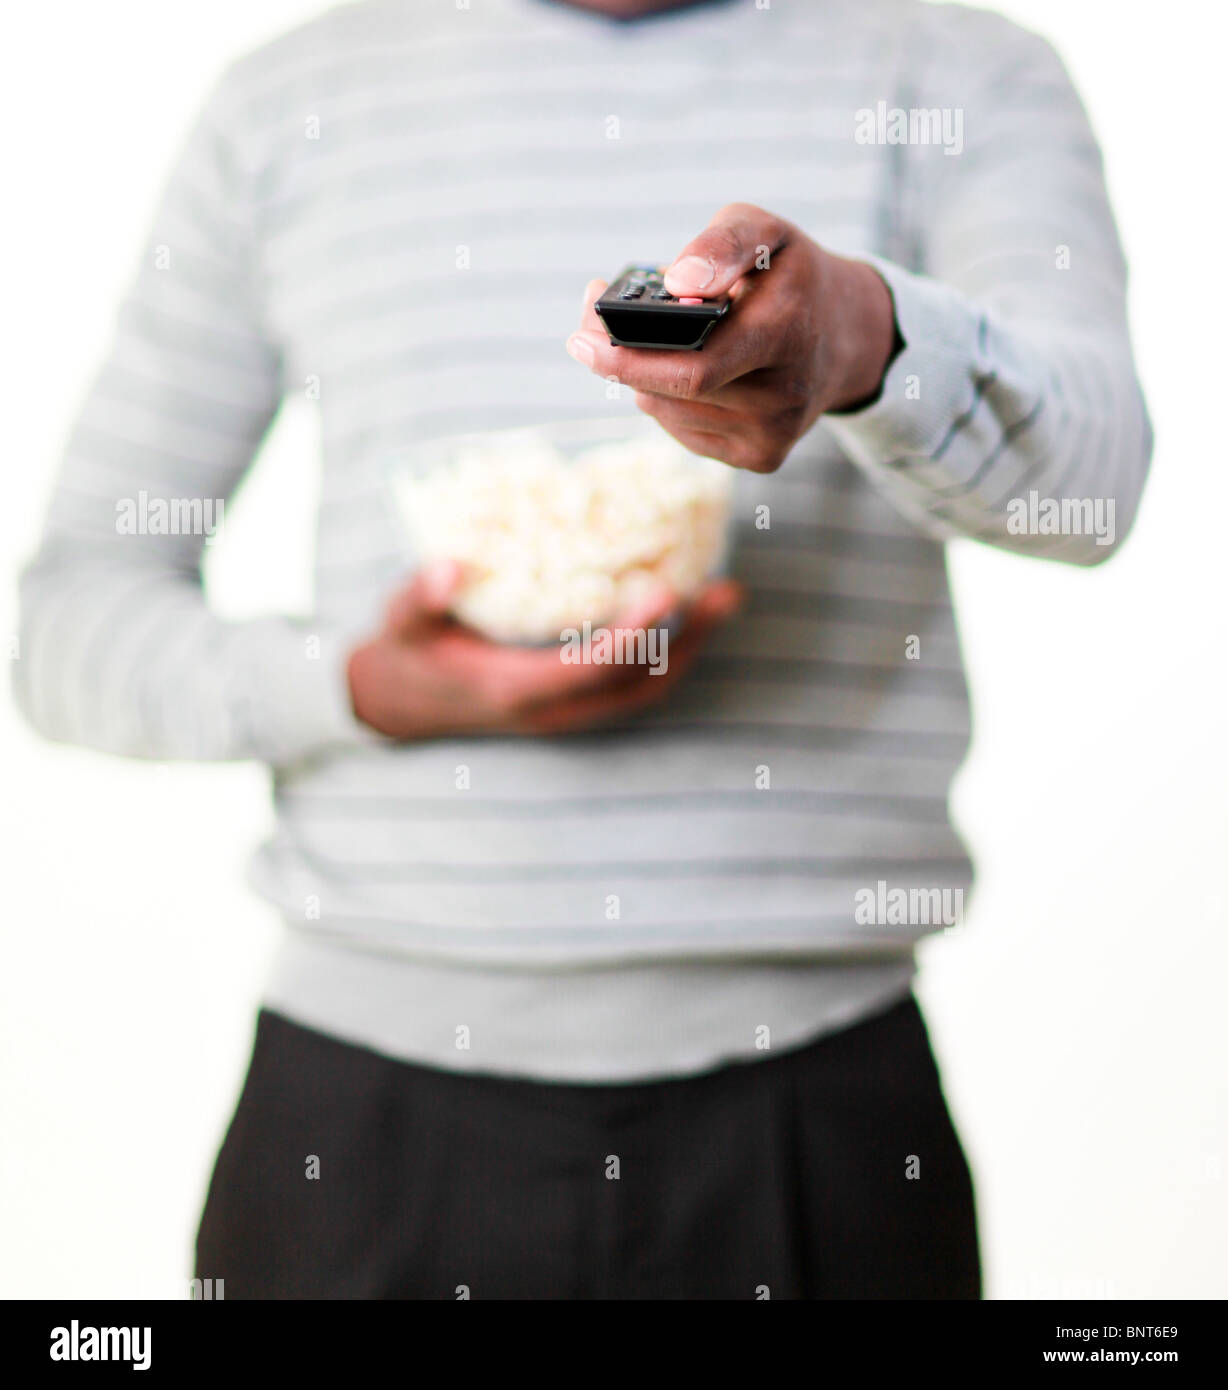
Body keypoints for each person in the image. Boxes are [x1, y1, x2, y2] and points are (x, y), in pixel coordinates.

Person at [14, 0, 1150, 1299]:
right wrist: (363, 689)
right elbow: (70, 627)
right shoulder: (285, 103)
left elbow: (1098, 481)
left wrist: (861, 338)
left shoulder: (960, 69)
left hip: (816, 1108)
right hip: (362, 1118)